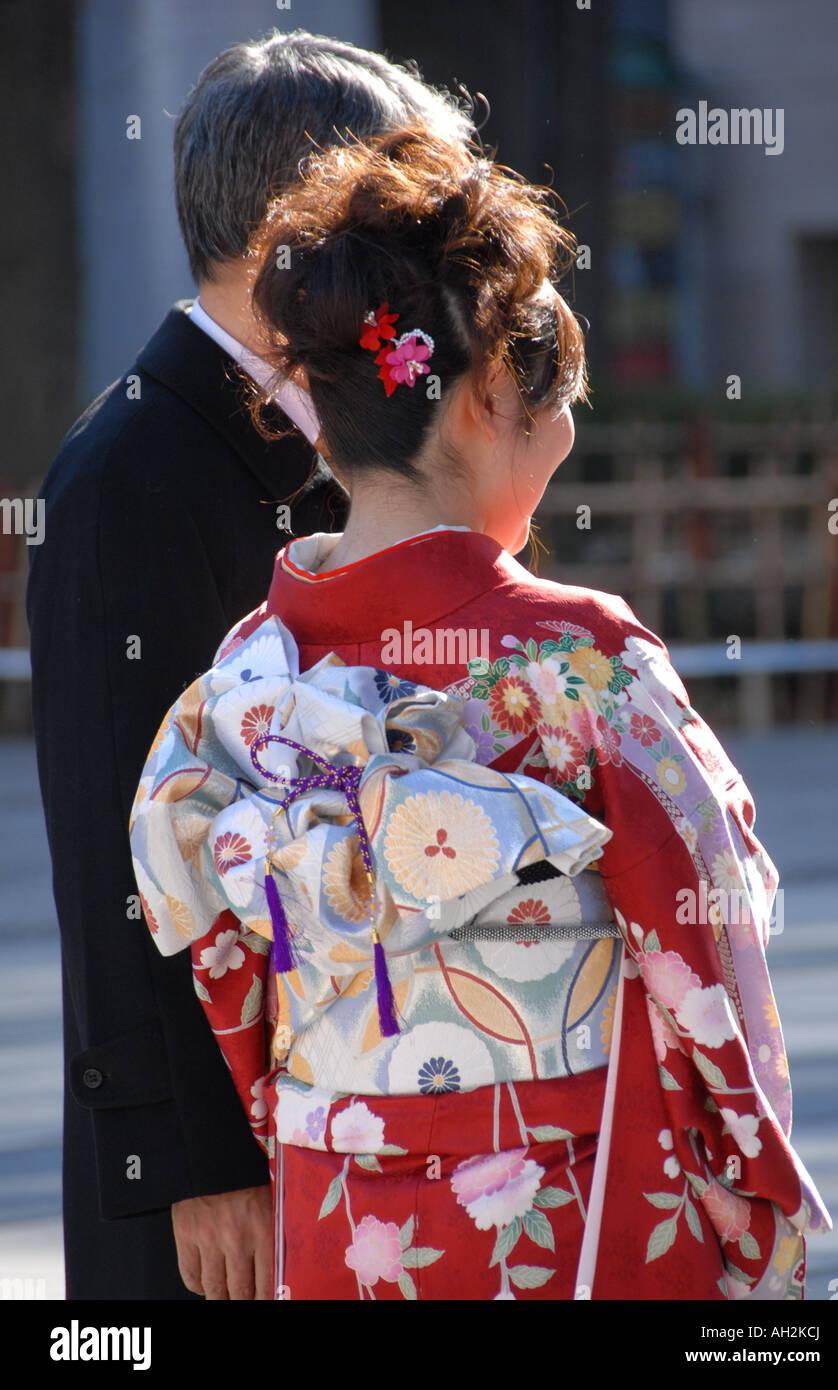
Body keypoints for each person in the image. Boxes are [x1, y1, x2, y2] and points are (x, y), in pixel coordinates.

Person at [129, 128, 831, 1300]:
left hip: (342, 1206)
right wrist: (748, 1197)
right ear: (492, 391)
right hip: (573, 1202)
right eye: (551, 391)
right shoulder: (579, 661)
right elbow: (709, 951)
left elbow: (231, 985)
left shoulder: (243, 680)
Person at [26, 31, 473, 1302]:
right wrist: (188, 1162)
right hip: (207, 1188)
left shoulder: (315, 431)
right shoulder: (127, 476)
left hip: (328, 1106)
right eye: (395, 210)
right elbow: (117, 858)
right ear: (305, 220)